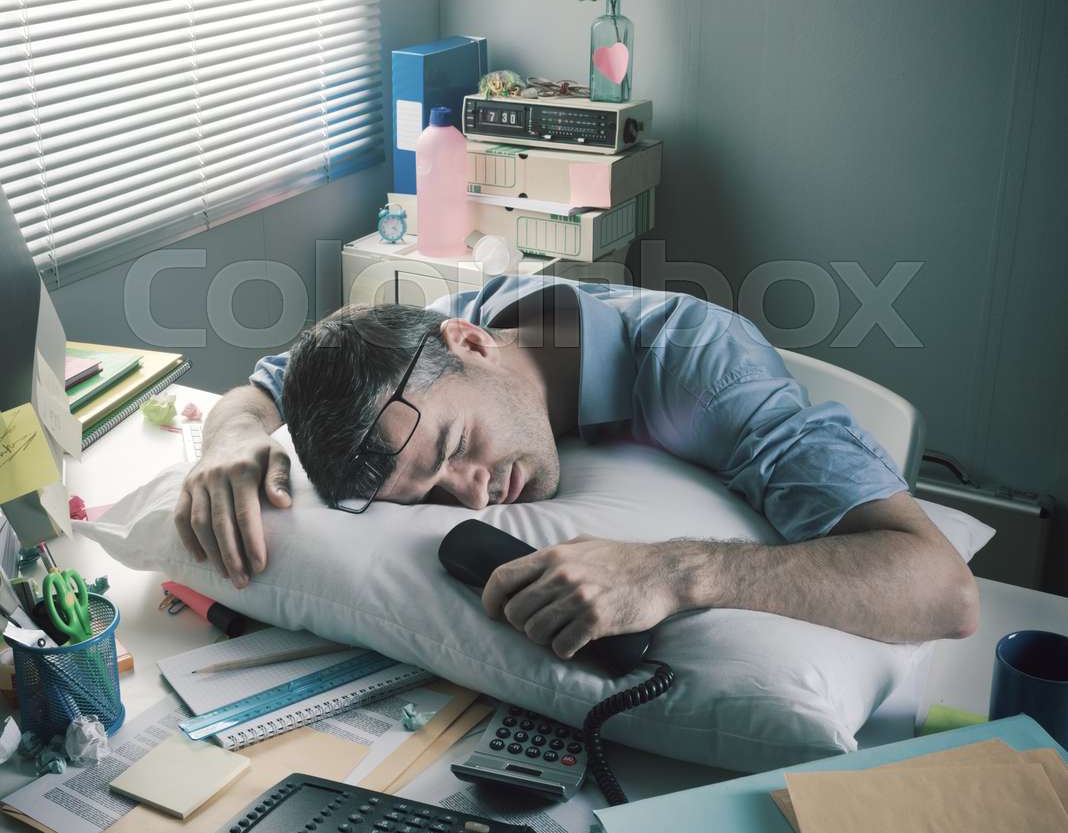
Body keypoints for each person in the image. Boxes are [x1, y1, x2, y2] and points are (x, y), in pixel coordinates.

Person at [175, 276, 979, 659]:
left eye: (455, 451)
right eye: (433, 495)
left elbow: (942, 588)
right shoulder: (426, 345)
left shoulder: (704, 375)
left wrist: (676, 572)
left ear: (472, 343)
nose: (476, 495)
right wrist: (230, 441)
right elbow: (273, 381)